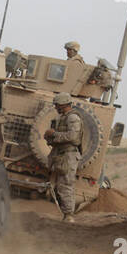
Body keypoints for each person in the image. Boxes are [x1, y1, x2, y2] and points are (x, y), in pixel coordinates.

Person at [43, 93, 84, 223]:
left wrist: (54, 134)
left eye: (57, 105)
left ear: (64, 104)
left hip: (68, 155)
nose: (56, 107)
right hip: (61, 154)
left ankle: (69, 216)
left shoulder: (72, 118)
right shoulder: (63, 117)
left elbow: (72, 136)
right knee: (61, 184)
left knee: (66, 184)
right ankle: (66, 214)